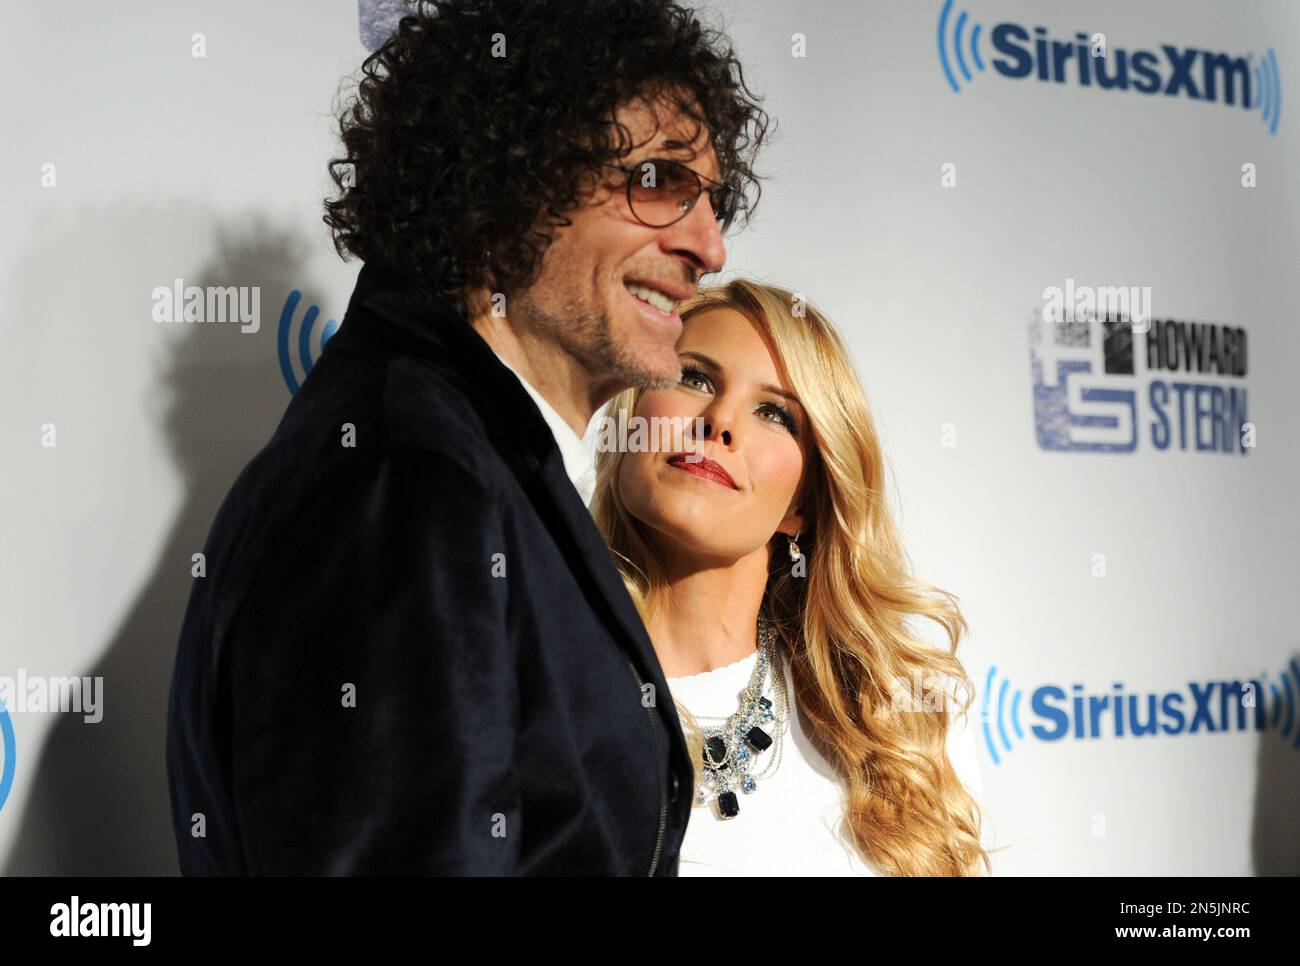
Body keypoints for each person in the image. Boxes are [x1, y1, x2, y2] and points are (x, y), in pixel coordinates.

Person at [165, 0, 769, 875]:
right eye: (656, 182)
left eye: (712, 200)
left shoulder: (471, 461)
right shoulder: (404, 478)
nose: (709, 246)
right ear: (508, 181)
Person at [590, 279, 994, 875]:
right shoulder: (531, 686)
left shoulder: (902, 718)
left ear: (802, 503)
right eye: (695, 378)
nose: (721, 420)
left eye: (774, 413)